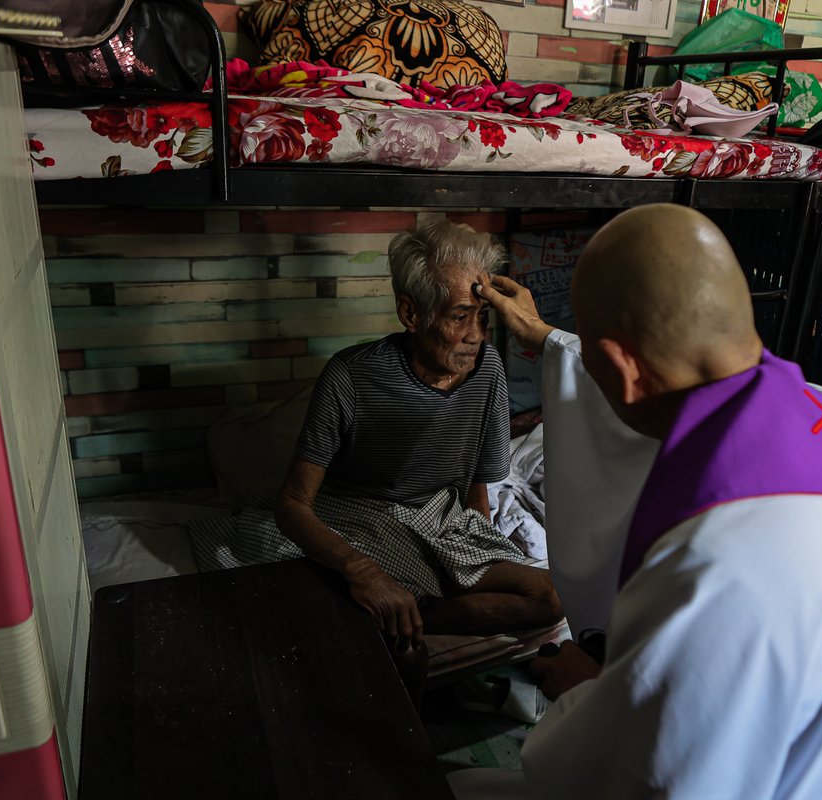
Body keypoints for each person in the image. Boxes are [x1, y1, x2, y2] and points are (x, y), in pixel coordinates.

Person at [448, 204, 822, 799]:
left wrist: (587, 694)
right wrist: (546, 337)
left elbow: (637, 778)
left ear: (622, 370)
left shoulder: (716, 566)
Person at [191, 220, 562, 656]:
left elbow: (475, 484)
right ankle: (392, 623)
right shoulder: (350, 374)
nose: (476, 336)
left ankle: (411, 621)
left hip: (440, 521)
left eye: (482, 316)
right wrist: (361, 570)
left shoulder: (489, 369)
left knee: (551, 598)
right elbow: (292, 504)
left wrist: (480, 548)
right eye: (460, 317)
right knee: (352, 625)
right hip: (356, 518)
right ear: (411, 314)